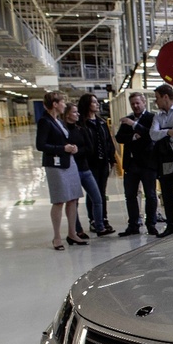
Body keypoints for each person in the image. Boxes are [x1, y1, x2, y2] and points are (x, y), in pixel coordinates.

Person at [123, 83, 173, 237]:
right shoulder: (158, 116)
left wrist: (164, 132)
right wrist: (168, 132)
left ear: (166, 97)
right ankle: (171, 225)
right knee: (166, 193)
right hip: (162, 157)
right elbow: (153, 135)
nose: (156, 101)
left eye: (157, 98)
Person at [35, 91, 86, 250]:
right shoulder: (45, 121)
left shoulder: (59, 121)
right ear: (55, 104)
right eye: (63, 102)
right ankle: (57, 237)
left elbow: (64, 139)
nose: (65, 105)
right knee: (59, 200)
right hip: (55, 165)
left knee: (73, 199)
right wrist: (62, 148)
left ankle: (72, 233)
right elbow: (41, 145)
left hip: (68, 162)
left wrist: (72, 147)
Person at [115, 92, 159, 236]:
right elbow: (119, 137)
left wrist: (134, 125)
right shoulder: (127, 119)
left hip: (148, 164)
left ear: (144, 102)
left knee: (150, 195)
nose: (135, 106)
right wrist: (133, 136)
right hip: (131, 164)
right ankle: (133, 225)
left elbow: (150, 135)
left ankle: (151, 224)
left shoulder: (152, 118)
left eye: (137, 103)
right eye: (133, 103)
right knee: (130, 195)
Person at [63, 102, 104, 242]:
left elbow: (89, 148)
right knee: (73, 202)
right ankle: (78, 230)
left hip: (85, 169)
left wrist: (76, 151)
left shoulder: (81, 129)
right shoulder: (63, 131)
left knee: (97, 198)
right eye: (74, 112)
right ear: (67, 114)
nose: (78, 114)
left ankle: (99, 226)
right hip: (71, 170)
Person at [78, 93, 115, 235]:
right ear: (87, 105)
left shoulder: (101, 123)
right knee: (93, 193)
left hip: (103, 162)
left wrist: (111, 158)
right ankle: (93, 220)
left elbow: (108, 141)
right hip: (89, 163)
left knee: (102, 192)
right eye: (94, 102)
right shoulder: (82, 124)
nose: (97, 104)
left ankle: (103, 219)